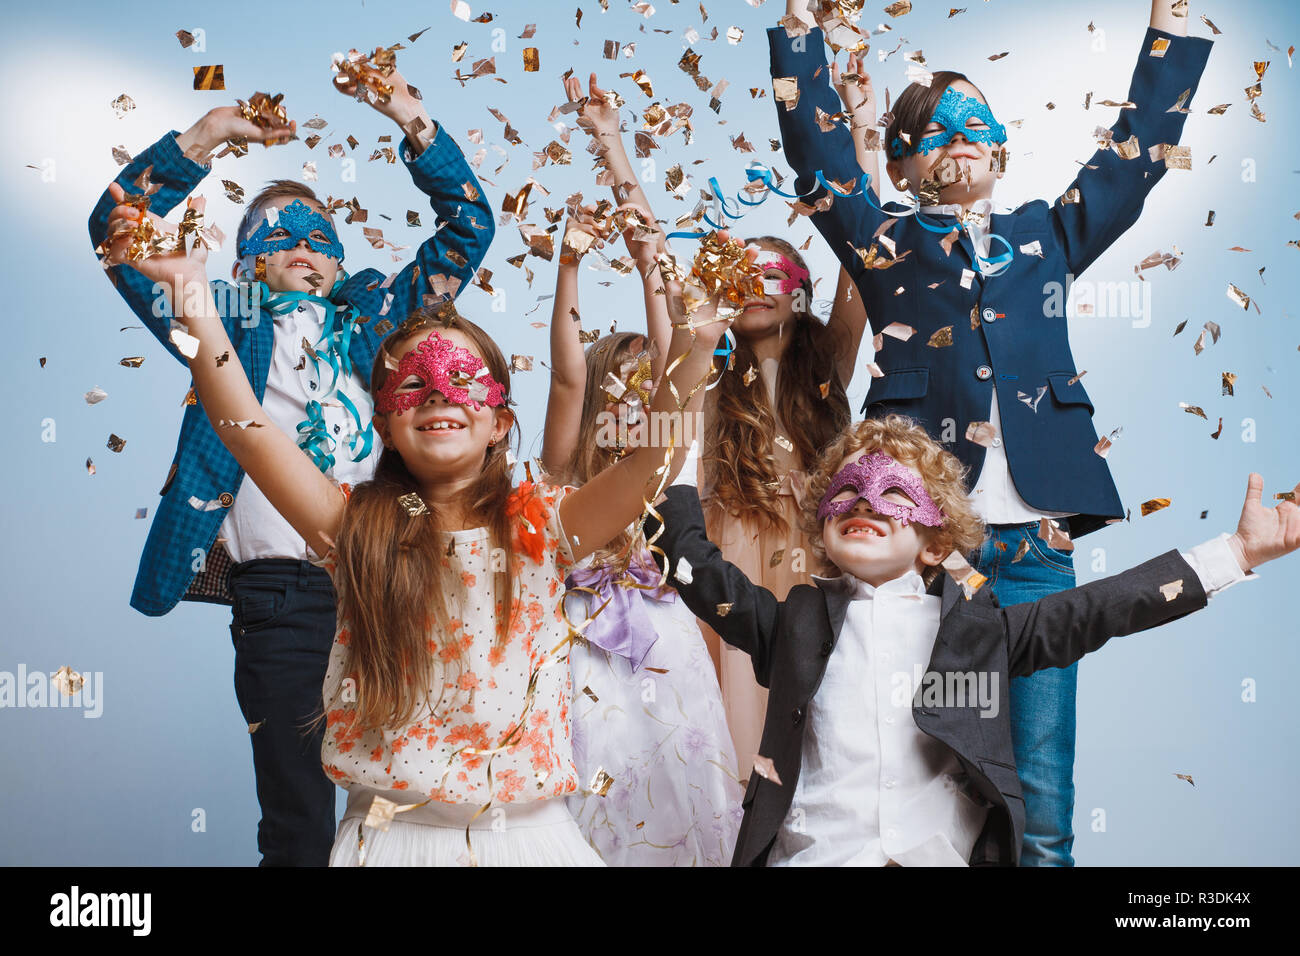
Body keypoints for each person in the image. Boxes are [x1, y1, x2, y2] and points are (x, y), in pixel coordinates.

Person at [99, 184, 737, 864]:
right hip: (388, 840)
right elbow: (249, 431)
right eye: (413, 382)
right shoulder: (352, 529)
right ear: (382, 423)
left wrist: (697, 351)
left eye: (463, 378)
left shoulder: (549, 526)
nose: (439, 391)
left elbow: (653, 462)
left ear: (499, 423)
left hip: (528, 838)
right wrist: (192, 291)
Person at [769, 0, 1213, 864]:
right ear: (901, 166)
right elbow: (819, 158)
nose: (959, 135)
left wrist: (1174, 29)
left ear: (1002, 147)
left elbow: (1134, 159)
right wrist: (797, 31)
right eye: (933, 130)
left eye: (976, 121)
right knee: (924, 765)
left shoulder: (1046, 235)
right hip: (925, 546)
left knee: (1042, 789)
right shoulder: (884, 240)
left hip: (1040, 546)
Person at [88, 65, 493, 865]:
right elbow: (118, 226)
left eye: (320, 236)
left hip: (390, 578)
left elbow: (467, 227)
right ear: (246, 261)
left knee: (408, 804)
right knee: (301, 816)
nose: (304, 246)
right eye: (280, 234)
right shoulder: (226, 318)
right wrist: (204, 138)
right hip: (282, 593)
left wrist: (409, 114)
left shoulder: (378, 318)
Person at [649, 415, 1297, 866]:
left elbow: (1102, 608)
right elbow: (695, 566)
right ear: (823, 531)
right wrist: (671, 455)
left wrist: (1236, 551)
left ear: (936, 541)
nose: (864, 503)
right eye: (845, 493)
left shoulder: (981, 631)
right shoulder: (793, 621)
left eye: (894, 493)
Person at [563, 71, 865, 780]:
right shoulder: (694, 370)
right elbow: (652, 256)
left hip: (821, 561)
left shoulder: (830, 366)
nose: (755, 284)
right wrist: (609, 140)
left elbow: (864, 250)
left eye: (773, 272)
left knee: (829, 735)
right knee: (736, 746)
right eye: (740, 273)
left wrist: (858, 127)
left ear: (802, 292)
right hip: (722, 566)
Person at [540, 211, 743, 866]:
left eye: (645, 384)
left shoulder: (670, 459)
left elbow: (677, 357)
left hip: (669, 643)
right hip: (582, 648)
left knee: (685, 787)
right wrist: (568, 264)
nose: (635, 396)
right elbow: (568, 375)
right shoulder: (566, 465)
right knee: (594, 791)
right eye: (618, 385)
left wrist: (650, 263)